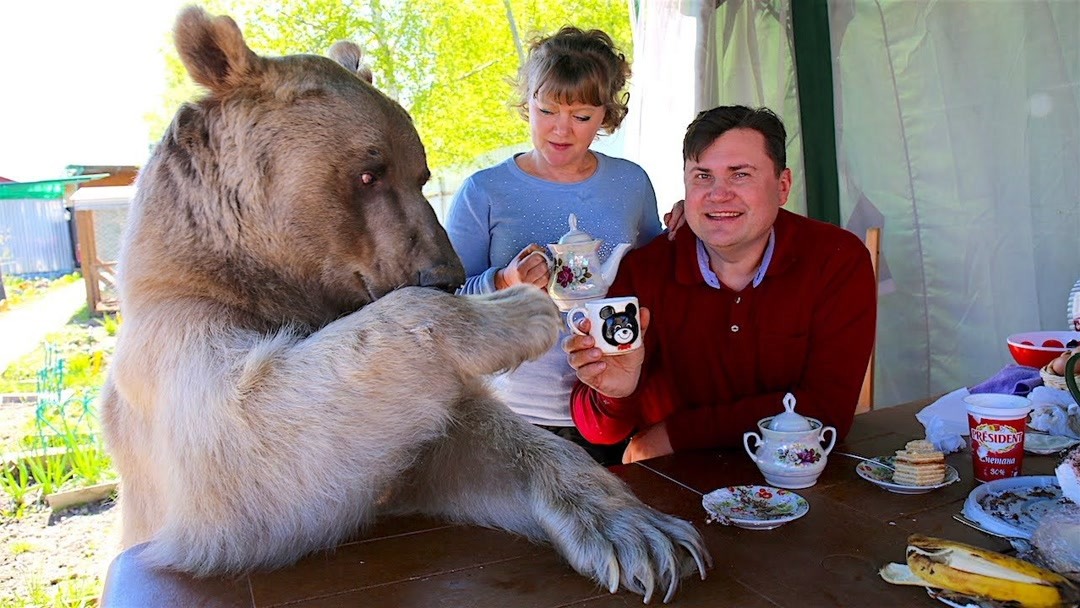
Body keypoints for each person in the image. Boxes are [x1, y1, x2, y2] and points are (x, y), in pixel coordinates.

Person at [564, 105, 877, 463]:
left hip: (797, 479)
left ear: (783, 185)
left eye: (740, 175)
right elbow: (599, 431)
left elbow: (827, 411)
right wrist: (615, 394)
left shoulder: (836, 259)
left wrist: (677, 435)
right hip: (676, 485)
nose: (718, 193)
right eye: (702, 176)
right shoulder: (643, 270)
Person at [444, 26, 663, 466]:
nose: (561, 130)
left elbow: (655, 272)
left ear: (607, 115)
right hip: (506, 414)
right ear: (526, 103)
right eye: (546, 111)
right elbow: (445, 306)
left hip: (606, 406)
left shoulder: (630, 182)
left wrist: (687, 228)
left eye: (582, 117)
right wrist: (505, 280)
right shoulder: (484, 191)